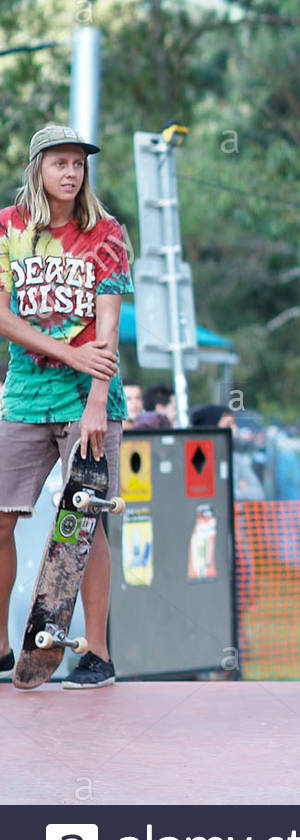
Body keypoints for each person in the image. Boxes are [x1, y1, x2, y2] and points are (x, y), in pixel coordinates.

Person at [0, 124, 130, 687]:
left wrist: (98, 398)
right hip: (25, 396)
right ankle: (3, 650)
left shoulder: (106, 233)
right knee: (1, 519)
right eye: (61, 163)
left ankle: (95, 654)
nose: (72, 173)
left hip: (89, 403)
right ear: (38, 169)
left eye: (79, 163)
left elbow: (108, 327)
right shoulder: (9, 228)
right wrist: (67, 355)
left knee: (85, 523)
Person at [190, 403, 265, 499]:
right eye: (228, 424)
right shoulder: (193, 460)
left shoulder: (234, 459)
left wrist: (229, 494)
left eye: (234, 424)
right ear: (212, 429)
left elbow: (258, 493)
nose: (235, 429)